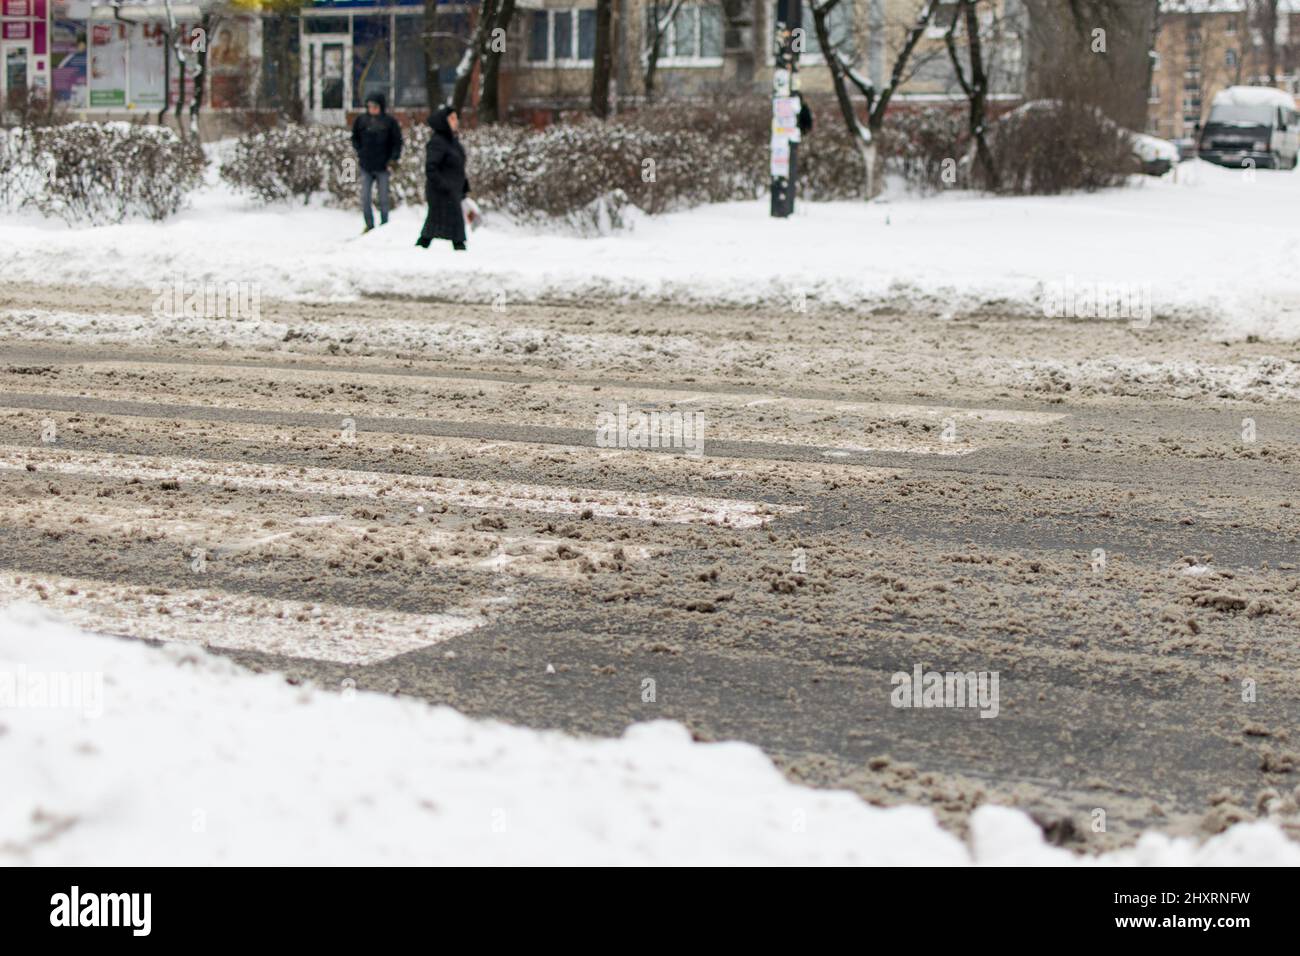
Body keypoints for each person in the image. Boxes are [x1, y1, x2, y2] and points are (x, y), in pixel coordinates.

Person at [417, 105, 472, 251]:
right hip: (440, 190)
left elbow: (458, 165)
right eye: (452, 118)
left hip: (453, 189)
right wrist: (444, 184)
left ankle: (426, 244)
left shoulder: (453, 142)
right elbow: (431, 168)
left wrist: (463, 185)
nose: (456, 121)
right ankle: (457, 245)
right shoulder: (438, 142)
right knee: (439, 220)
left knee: (446, 221)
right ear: (444, 121)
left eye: (456, 118)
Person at [351, 92, 402, 233]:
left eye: (375, 106)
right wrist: (360, 151)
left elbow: (397, 142)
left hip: (383, 166)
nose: (372, 109)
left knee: (383, 198)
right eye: (369, 106)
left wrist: (393, 159)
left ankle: (385, 225)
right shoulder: (361, 121)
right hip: (366, 165)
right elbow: (355, 138)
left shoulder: (389, 122)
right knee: (365, 197)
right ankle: (369, 225)